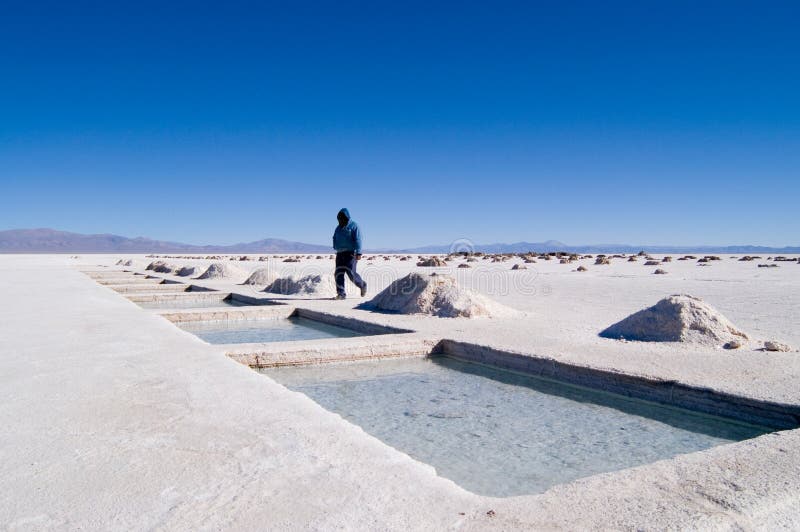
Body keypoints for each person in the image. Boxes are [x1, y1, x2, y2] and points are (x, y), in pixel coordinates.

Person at [332, 208, 367, 299]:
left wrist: (359, 252)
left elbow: (358, 239)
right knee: (338, 274)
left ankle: (362, 285)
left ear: (346, 218)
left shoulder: (354, 226)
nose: (340, 220)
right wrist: (335, 246)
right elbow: (335, 237)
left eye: (342, 218)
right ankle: (341, 294)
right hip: (340, 253)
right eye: (339, 218)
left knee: (351, 274)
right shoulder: (338, 228)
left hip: (351, 254)